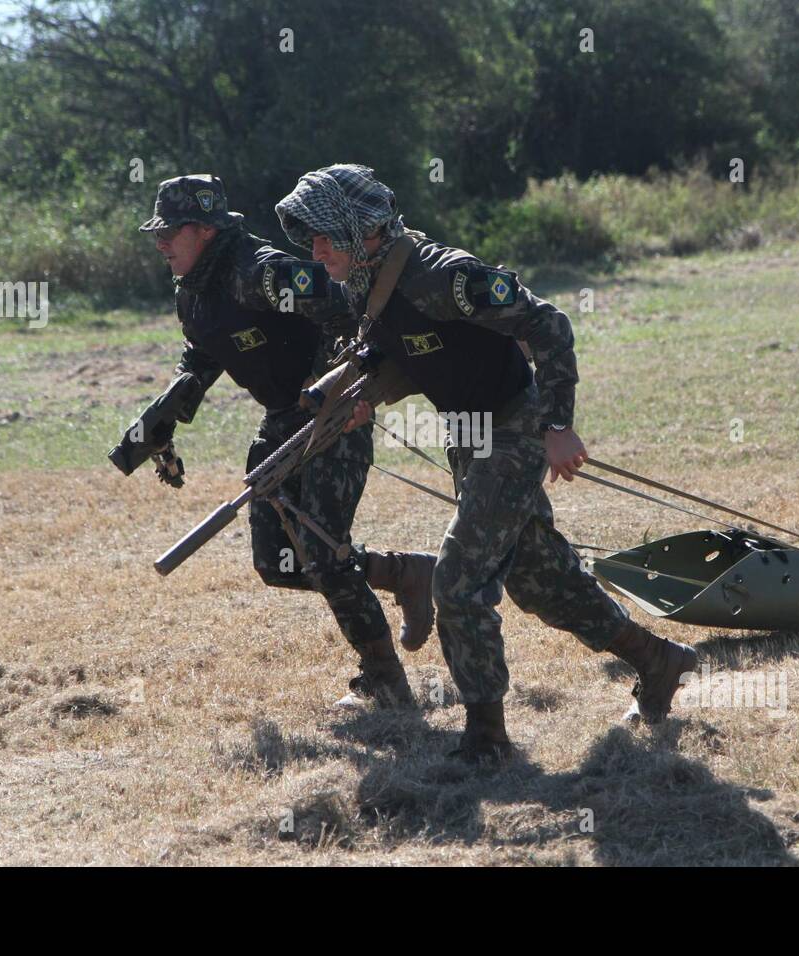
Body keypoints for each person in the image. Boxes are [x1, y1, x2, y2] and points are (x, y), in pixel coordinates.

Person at [275, 164, 698, 760]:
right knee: (542, 582)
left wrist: (557, 426)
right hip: (470, 435)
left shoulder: (442, 277)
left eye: (323, 236)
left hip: (516, 428)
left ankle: (486, 738)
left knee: (458, 581)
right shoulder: (366, 284)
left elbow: (549, 323)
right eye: (309, 238)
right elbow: (407, 355)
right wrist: (367, 397)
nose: (313, 252)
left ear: (362, 230)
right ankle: (660, 660)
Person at [137, 173, 436, 709]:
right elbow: (202, 352)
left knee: (321, 551)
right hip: (281, 419)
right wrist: (167, 411)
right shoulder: (196, 288)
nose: (160, 243)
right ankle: (404, 572)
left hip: (332, 415)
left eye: (170, 232)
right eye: (157, 233)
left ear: (203, 231)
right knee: (278, 562)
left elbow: (347, 303)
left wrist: (330, 390)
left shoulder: (260, 271)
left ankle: (384, 683)